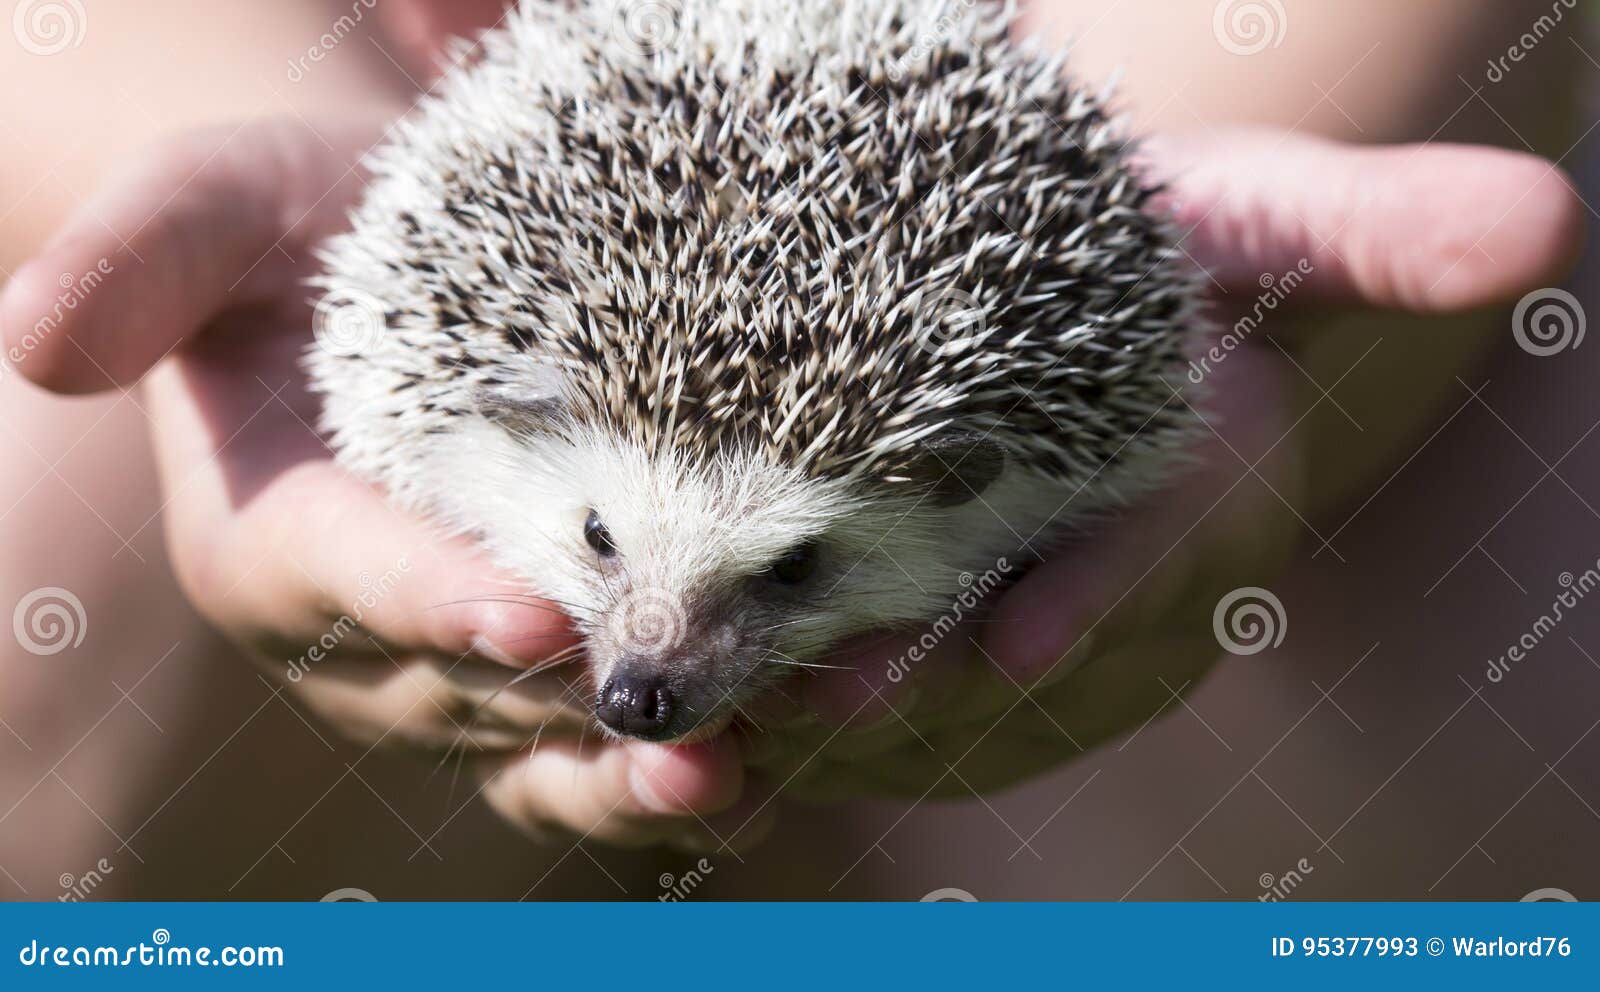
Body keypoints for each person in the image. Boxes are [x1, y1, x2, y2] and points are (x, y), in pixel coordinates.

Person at [0, 0, 1588, 897]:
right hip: (338, 51)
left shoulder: (1012, 408)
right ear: (527, 414)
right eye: (611, 550)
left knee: (1503, 680)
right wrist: (177, 148)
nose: (651, 660)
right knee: (56, 558)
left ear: (960, 483)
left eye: (791, 569)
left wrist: (1248, 261)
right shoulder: (483, 355)